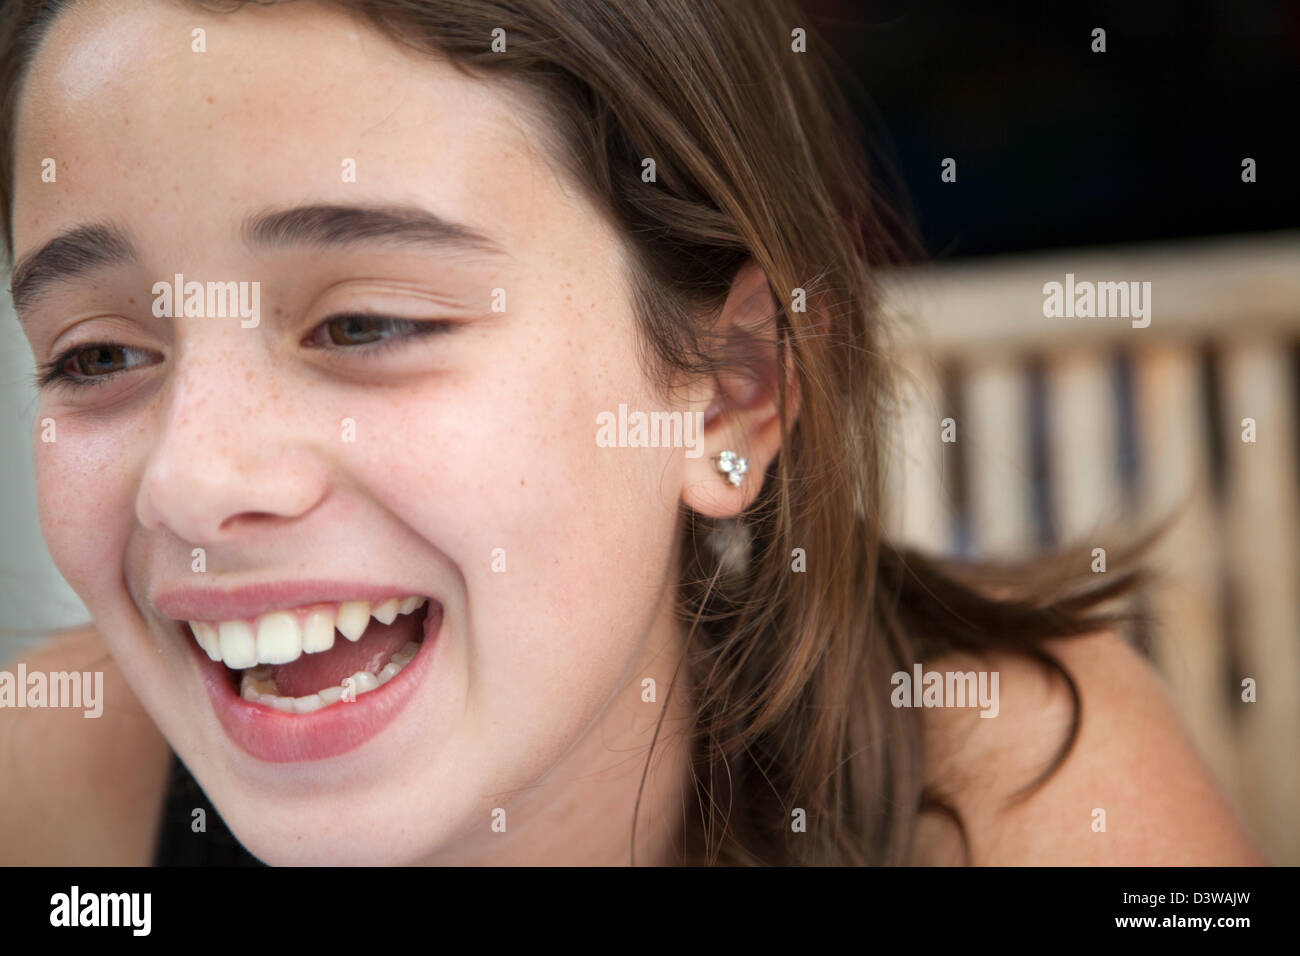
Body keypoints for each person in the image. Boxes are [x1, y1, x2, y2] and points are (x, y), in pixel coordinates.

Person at [0, 0, 1266, 866]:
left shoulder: (1018, 787)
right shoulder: (52, 789)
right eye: (98, 355)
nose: (194, 479)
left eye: (366, 323)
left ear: (728, 392)